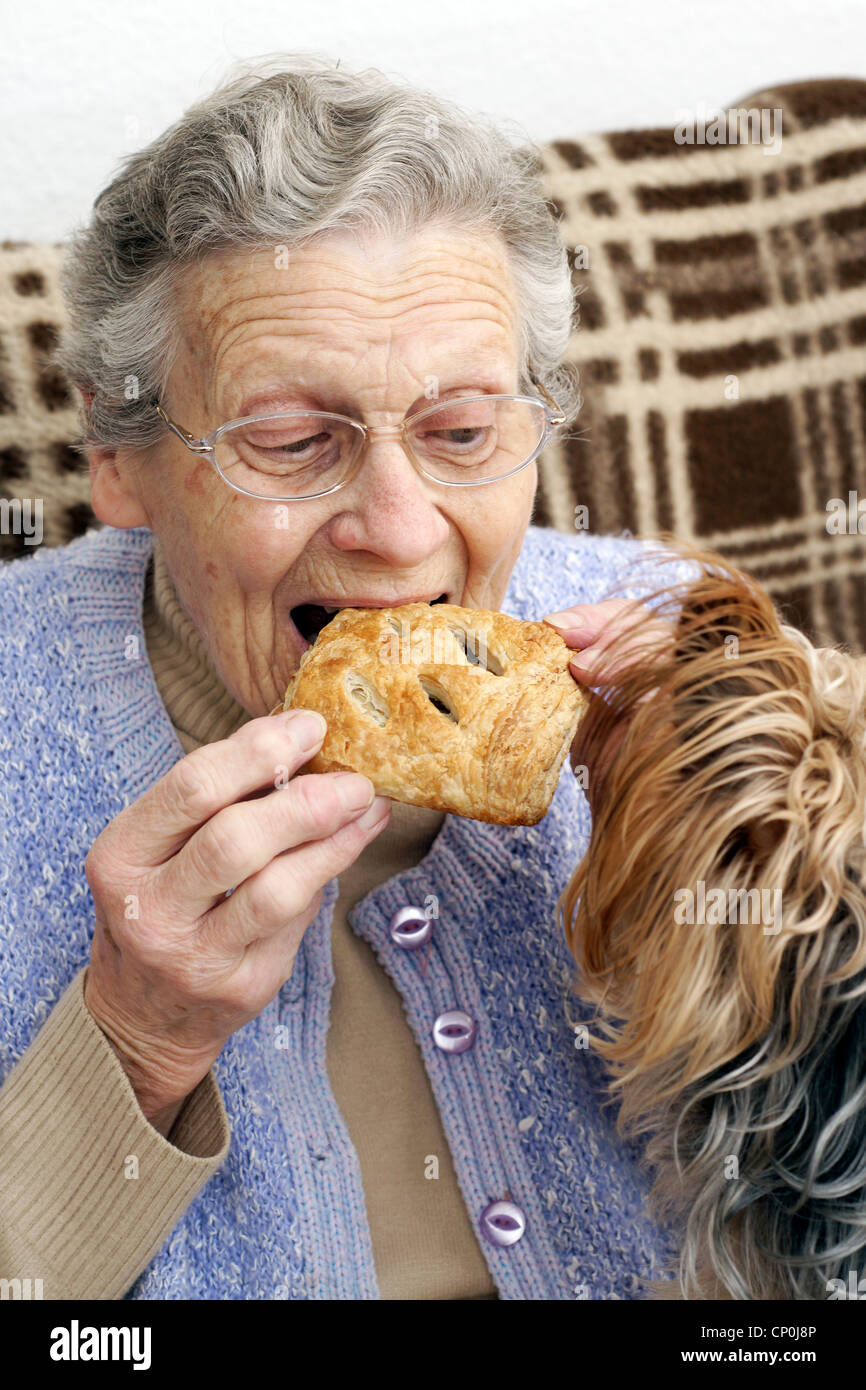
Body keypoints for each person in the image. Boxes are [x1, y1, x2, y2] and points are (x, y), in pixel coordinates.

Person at [0, 53, 691, 1300]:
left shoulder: (689, 660)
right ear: (119, 456)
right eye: (290, 440)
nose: (395, 523)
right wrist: (135, 1041)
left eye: (463, 432)